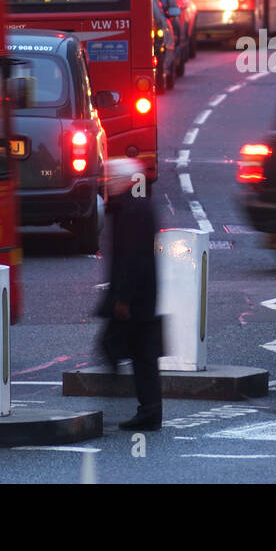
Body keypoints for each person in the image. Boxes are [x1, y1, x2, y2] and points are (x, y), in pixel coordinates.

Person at [97, 158, 163, 430]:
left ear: (126, 180)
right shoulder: (134, 205)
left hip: (134, 296)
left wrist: (123, 297)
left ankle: (145, 409)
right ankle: (149, 410)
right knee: (142, 354)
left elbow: (133, 257)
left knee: (130, 350)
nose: (107, 182)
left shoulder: (133, 209)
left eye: (112, 178)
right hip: (142, 294)